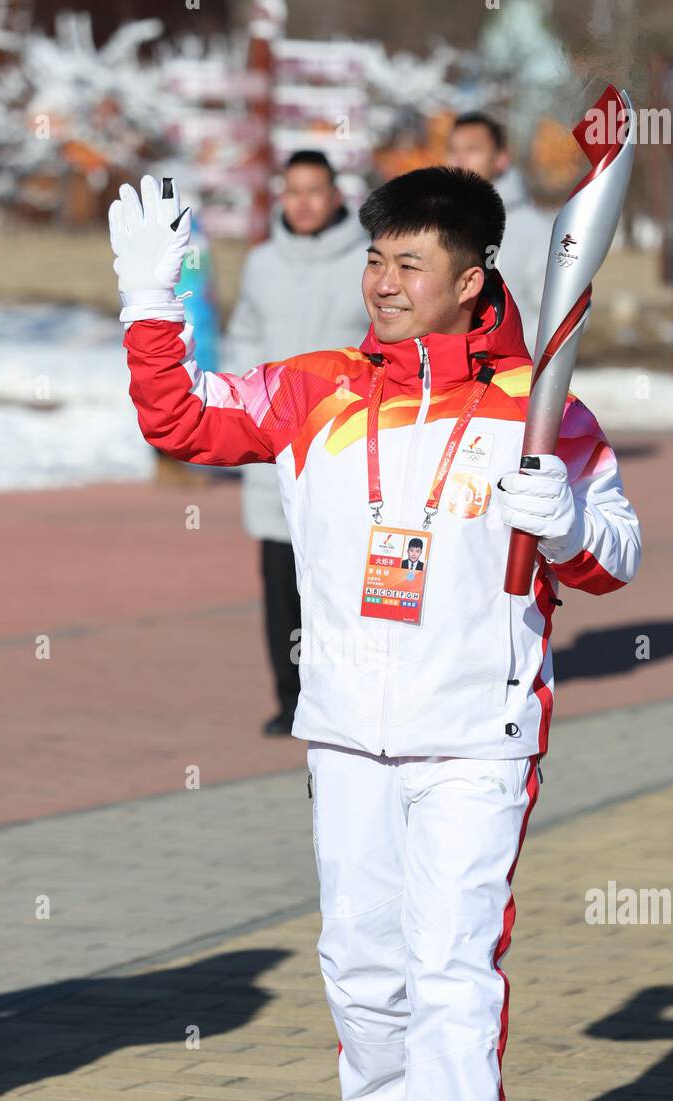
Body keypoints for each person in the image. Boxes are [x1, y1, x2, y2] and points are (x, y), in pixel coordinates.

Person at [108, 167, 641, 1101]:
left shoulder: (538, 406)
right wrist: (149, 303)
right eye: (374, 259)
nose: (382, 281)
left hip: (477, 735)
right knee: (359, 967)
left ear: (470, 275)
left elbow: (612, 559)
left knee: (452, 971)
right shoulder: (314, 389)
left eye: (408, 263)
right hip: (346, 726)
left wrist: (564, 525)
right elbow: (183, 418)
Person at [221, 150, 368, 736]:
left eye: (315, 190)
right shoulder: (261, 264)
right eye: (293, 190)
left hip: (346, 449)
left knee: (344, 584)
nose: (303, 202)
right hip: (275, 449)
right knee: (281, 585)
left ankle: (345, 701)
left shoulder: (368, 260)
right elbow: (243, 337)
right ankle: (291, 700)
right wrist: (249, 402)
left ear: (336, 195)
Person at [447, 112, 554, 355]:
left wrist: (503, 354)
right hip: (443, 383)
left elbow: (564, 315)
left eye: (473, 150)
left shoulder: (536, 230)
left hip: (511, 380)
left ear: (501, 158)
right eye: (454, 150)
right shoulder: (436, 225)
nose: (460, 159)